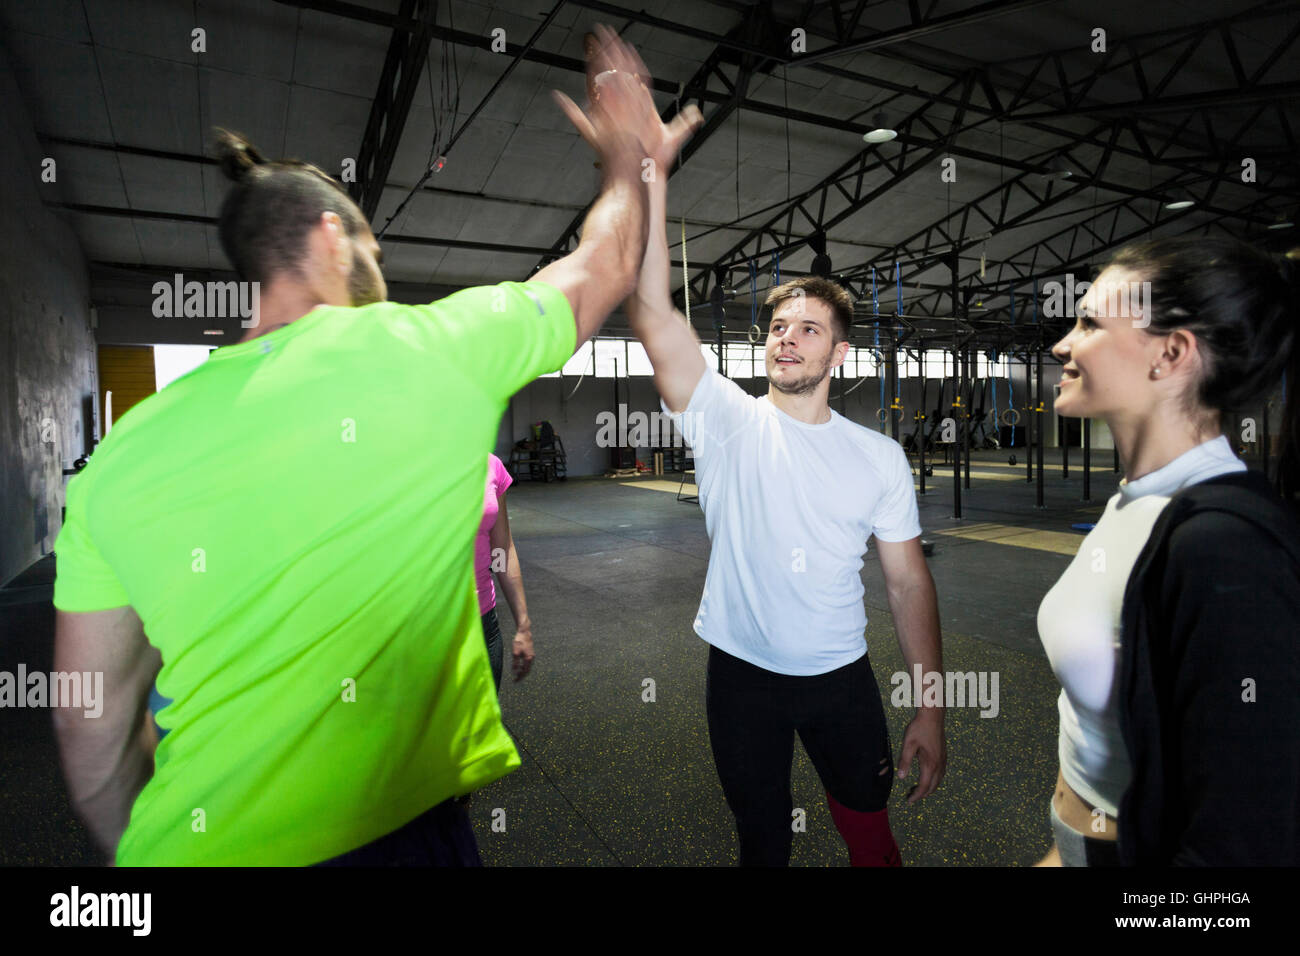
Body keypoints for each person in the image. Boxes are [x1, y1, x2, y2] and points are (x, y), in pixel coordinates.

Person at [50, 25, 702, 866]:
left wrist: (153, 846)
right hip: (392, 840)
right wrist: (630, 165)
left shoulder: (122, 454)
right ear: (330, 236)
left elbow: (87, 723)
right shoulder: (425, 348)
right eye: (370, 245)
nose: (379, 263)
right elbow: (604, 263)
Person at [618, 147, 947, 866]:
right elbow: (650, 311)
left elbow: (907, 582)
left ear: (839, 353)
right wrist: (652, 179)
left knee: (871, 833)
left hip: (840, 677)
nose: (787, 338)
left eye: (808, 329)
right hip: (741, 677)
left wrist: (930, 704)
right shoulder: (726, 419)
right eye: (777, 328)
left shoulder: (879, 457)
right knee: (762, 843)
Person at [1036, 236, 1300, 866]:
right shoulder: (1137, 500)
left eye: (1090, 323)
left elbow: (1241, 851)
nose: (1062, 345)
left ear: (1171, 354)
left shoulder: (1226, 547)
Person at [476, 452, 533, 691]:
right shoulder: (405, 464)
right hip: (420, 628)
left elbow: (502, 550)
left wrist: (523, 624)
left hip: (482, 624)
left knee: (481, 726)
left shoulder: (491, 465)